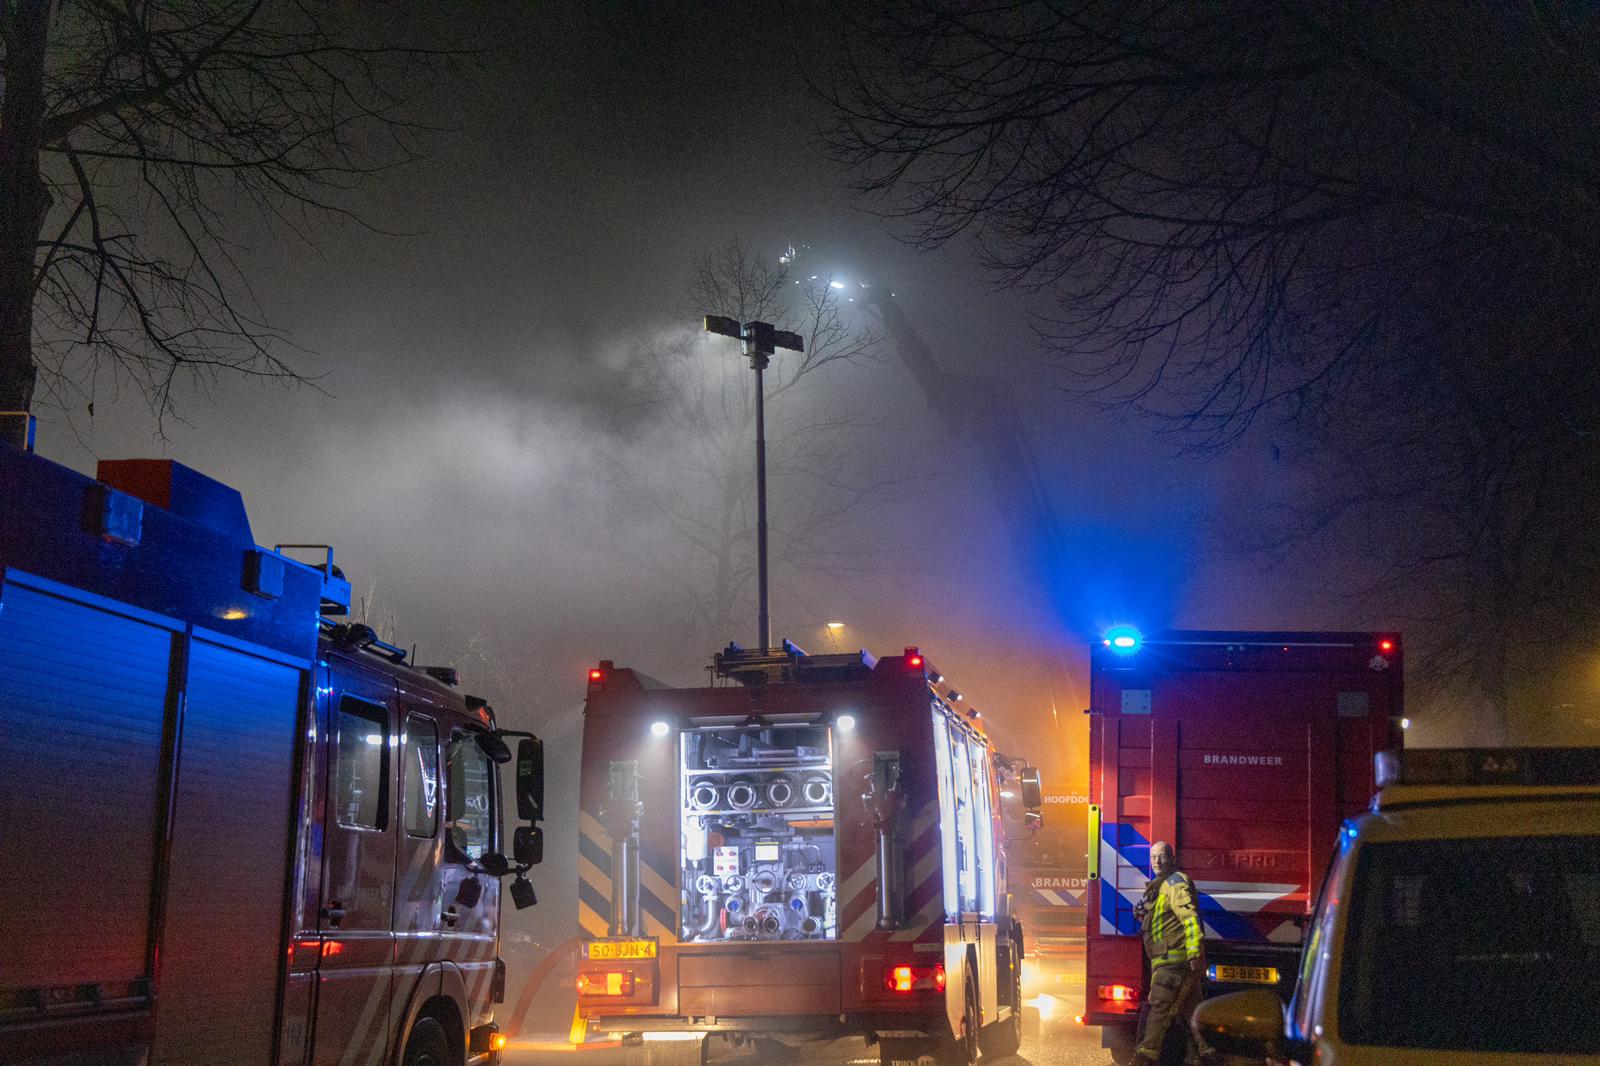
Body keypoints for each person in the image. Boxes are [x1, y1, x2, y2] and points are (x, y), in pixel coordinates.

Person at [1132, 841, 1207, 1066]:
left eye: (1162, 856)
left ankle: (1144, 1058)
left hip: (1173, 964)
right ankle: (1210, 1054)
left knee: (1158, 1012)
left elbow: (1190, 918)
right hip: (1173, 963)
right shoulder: (1162, 887)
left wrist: (1194, 953)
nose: (1157, 861)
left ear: (1172, 858)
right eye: (1153, 857)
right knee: (1193, 1012)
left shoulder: (1175, 885)